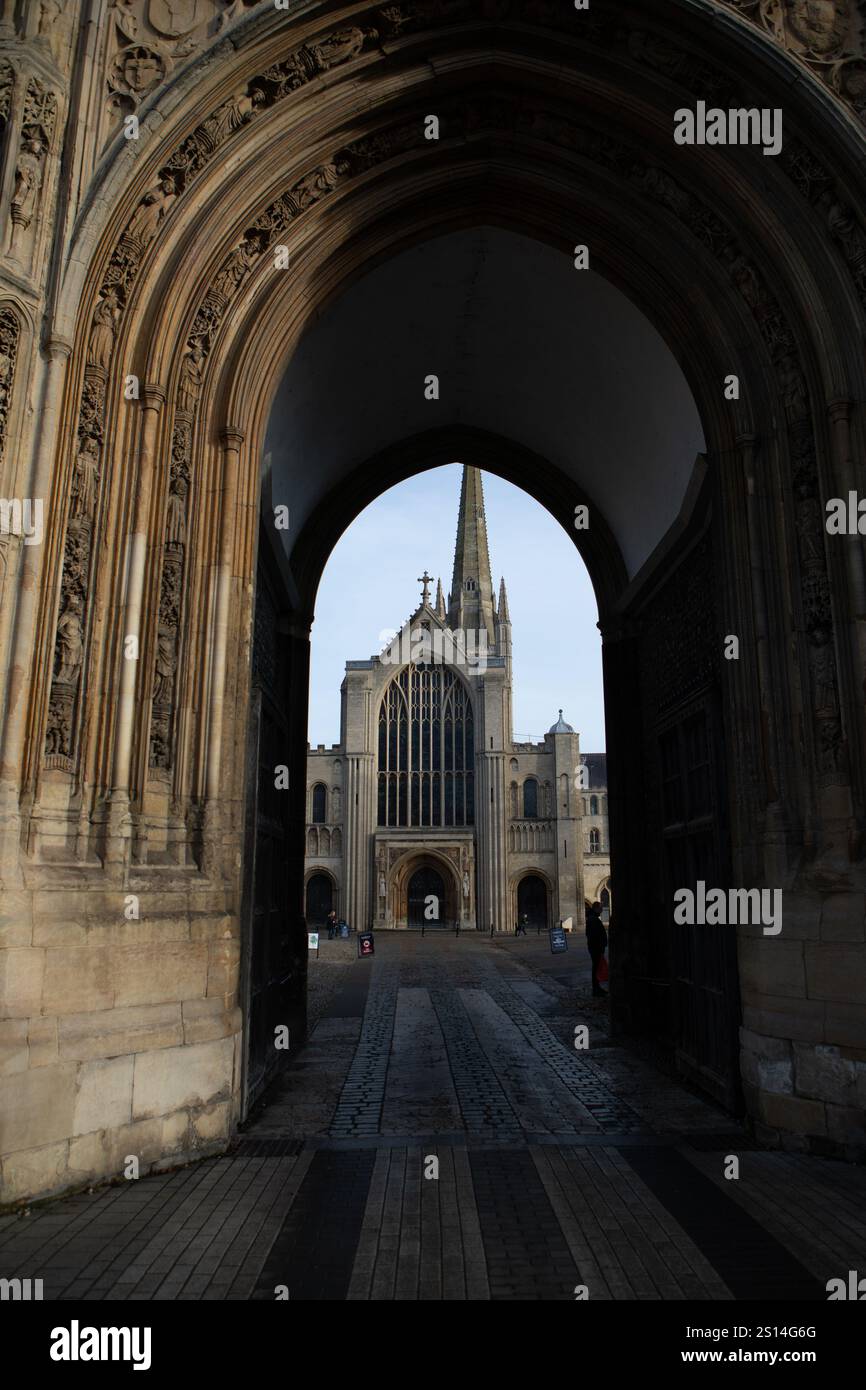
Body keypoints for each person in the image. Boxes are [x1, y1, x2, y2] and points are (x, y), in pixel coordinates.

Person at [585, 900, 608, 997]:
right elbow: (595, 936)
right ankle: (596, 989)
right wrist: (600, 947)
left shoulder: (592, 918)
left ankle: (597, 988)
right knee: (596, 968)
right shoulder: (593, 919)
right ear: (596, 908)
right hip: (596, 948)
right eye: (601, 908)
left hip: (595, 948)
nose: (602, 910)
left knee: (596, 967)